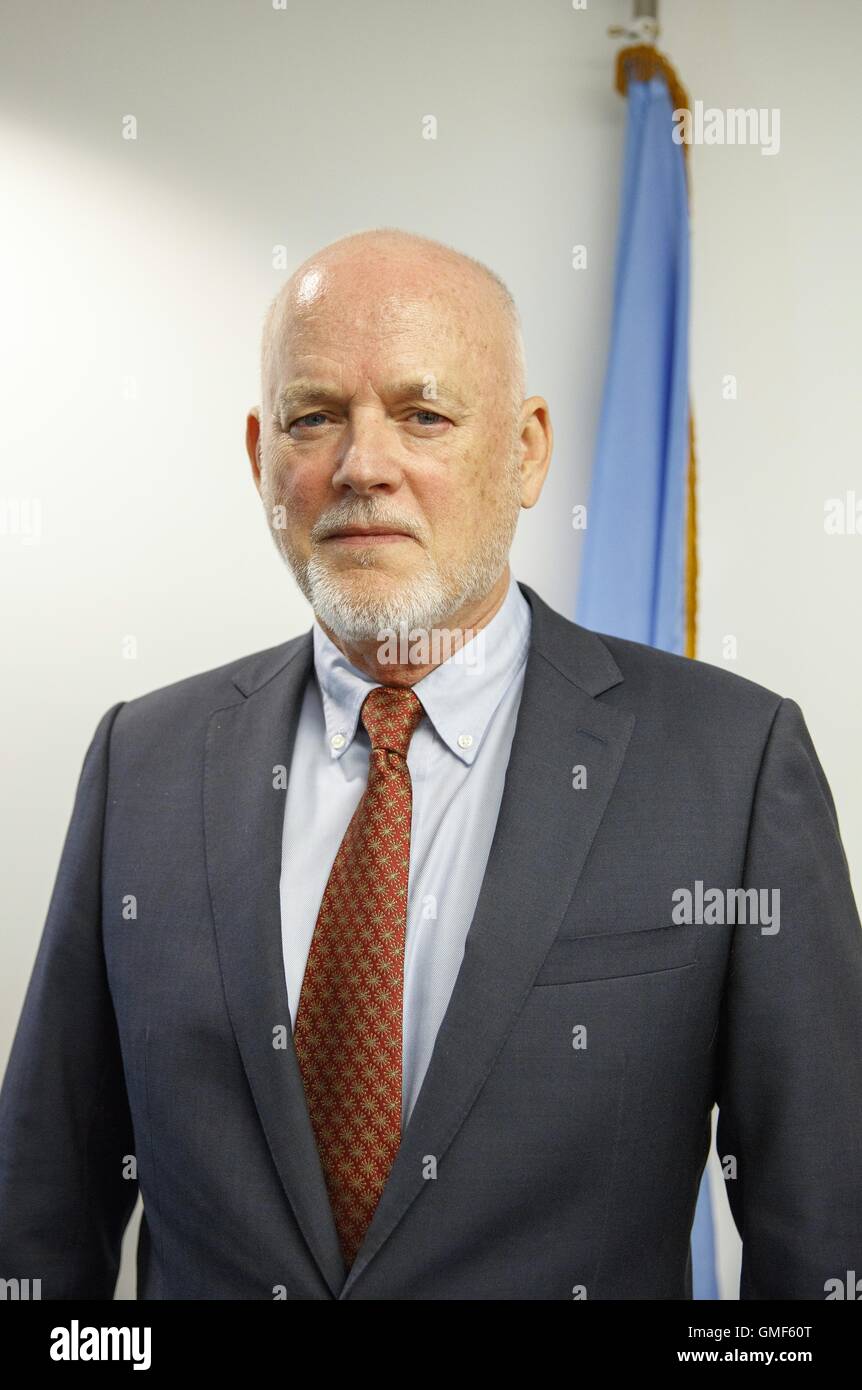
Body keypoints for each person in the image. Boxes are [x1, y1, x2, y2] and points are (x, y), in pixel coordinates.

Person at [1, 229, 860, 1300]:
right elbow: (39, 1218)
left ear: (528, 450)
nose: (363, 465)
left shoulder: (729, 767)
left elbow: (824, 1243)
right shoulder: (143, 761)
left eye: (423, 414)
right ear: (261, 455)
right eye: (315, 417)